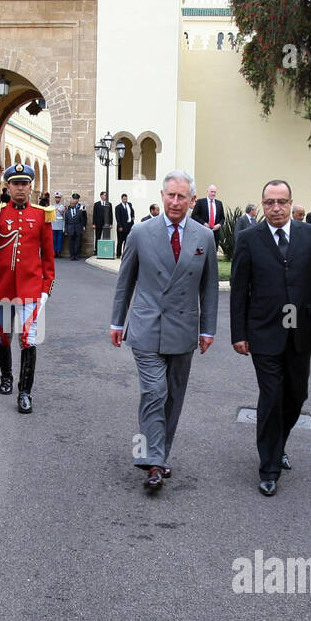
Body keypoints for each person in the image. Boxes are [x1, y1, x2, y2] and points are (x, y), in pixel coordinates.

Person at [109, 171, 217, 492]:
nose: (174, 201)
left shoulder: (204, 237)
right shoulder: (141, 233)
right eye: (170, 195)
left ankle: (158, 455)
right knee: (154, 392)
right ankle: (151, 463)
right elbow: (125, 281)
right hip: (146, 328)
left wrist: (207, 329)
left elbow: (209, 288)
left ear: (192, 201)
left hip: (183, 330)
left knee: (173, 397)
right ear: (162, 195)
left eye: (181, 196)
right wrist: (118, 321)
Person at [230, 179, 311, 497]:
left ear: (291, 204)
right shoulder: (249, 239)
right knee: (271, 396)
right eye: (269, 202)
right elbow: (239, 291)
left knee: (296, 397)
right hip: (264, 333)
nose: (276, 208)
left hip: (300, 330)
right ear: (262, 205)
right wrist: (239, 333)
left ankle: (279, 444)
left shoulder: (310, 235)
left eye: (282, 201)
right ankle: (269, 467)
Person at [0, 163, 55, 413]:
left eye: (24, 184)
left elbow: (48, 256)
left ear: (31, 186)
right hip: (1, 285)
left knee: (28, 338)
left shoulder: (42, 215)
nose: (20, 188)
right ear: (7, 186)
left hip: (30, 286)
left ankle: (25, 392)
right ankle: (6, 376)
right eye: (15, 184)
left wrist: (46, 286)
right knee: (3, 335)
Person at [64, 192, 87, 260]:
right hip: (70, 228)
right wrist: (66, 230)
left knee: (78, 242)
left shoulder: (81, 207)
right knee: (71, 242)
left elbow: (84, 218)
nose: (75, 200)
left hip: (78, 227)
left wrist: (83, 226)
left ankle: (77, 254)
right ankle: (72, 255)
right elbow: (67, 220)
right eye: (74, 199)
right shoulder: (68, 209)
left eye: (76, 199)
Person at [115, 192, 135, 257]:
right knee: (120, 241)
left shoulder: (129, 204)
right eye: (124, 199)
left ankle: (125, 254)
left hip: (129, 225)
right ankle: (118, 254)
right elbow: (117, 217)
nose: (125, 200)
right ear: (121, 199)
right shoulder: (118, 207)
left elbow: (132, 211)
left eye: (126, 199)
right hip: (122, 226)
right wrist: (120, 226)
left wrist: (132, 217)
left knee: (127, 241)